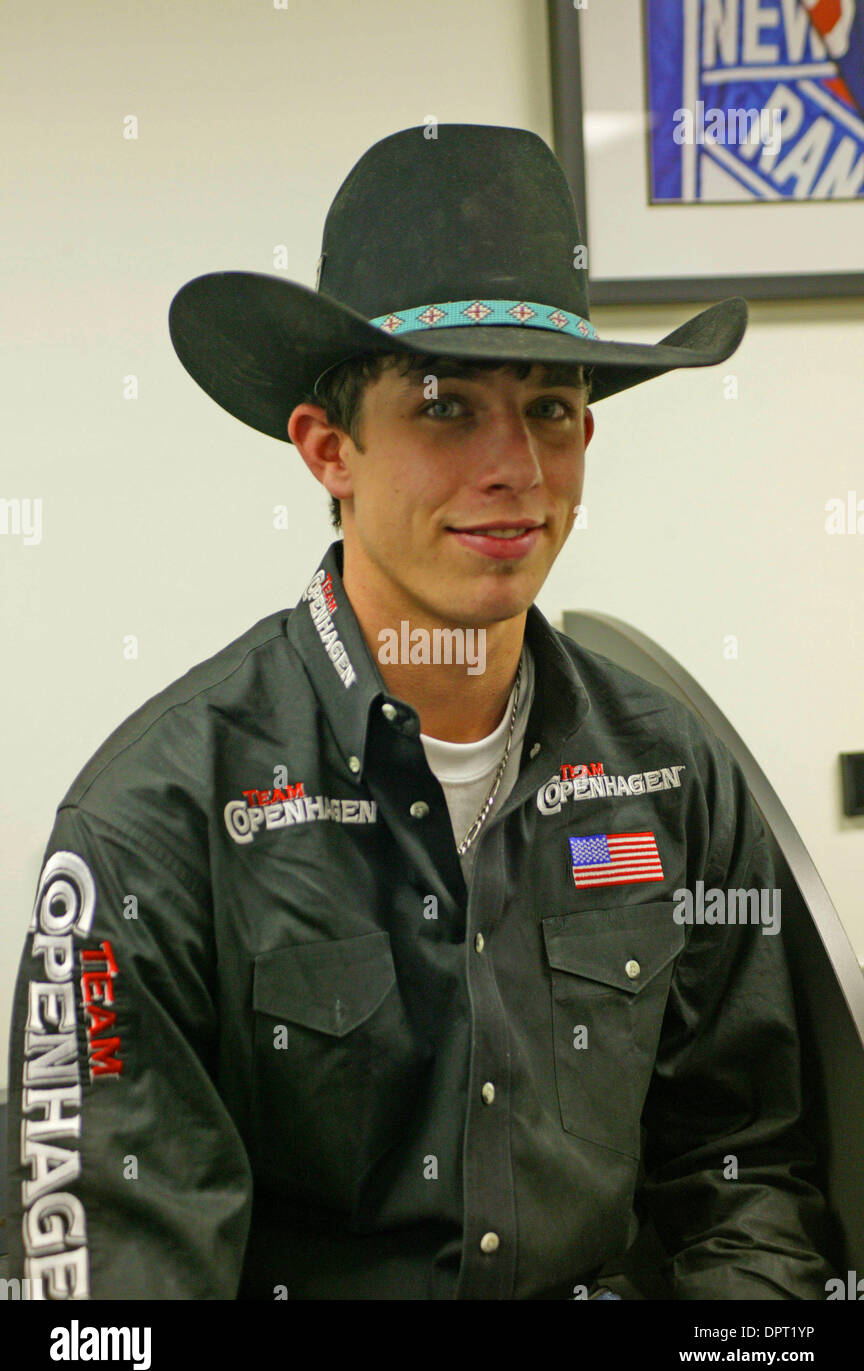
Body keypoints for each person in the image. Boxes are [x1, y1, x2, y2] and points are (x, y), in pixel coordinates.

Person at [6, 123, 835, 1300]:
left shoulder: (667, 775)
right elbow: (106, 1294)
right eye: (447, 407)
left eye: (551, 409)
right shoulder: (155, 819)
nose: (517, 468)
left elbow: (746, 1179)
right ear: (328, 448)